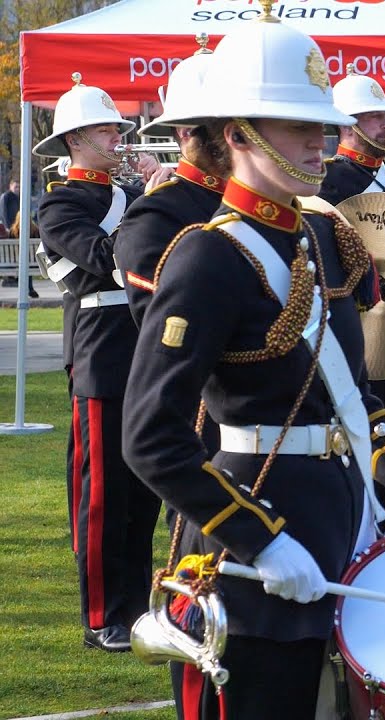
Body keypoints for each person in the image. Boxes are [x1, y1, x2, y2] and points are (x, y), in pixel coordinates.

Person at [120, 9, 385, 717]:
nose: (320, 140)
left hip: (343, 525)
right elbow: (151, 436)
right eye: (295, 124)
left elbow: (351, 399)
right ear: (236, 133)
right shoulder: (207, 256)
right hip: (252, 546)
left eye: (323, 124)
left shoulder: (324, 238)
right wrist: (260, 540)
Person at [33, 73, 169, 653]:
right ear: (76, 139)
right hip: (99, 353)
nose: (119, 137)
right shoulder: (60, 203)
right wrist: (151, 202)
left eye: (116, 127)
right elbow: (107, 260)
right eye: (106, 129)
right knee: (102, 493)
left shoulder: (133, 197)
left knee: (143, 489)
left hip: (145, 349)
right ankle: (101, 615)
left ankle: (135, 608)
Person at [319, 64, 385, 526]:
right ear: (348, 124)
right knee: (363, 440)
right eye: (375, 117)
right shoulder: (330, 181)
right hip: (361, 327)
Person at [116, 35, 229, 328]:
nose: (240, 138)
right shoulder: (155, 215)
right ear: (185, 130)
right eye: (224, 126)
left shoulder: (262, 199)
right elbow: (168, 325)